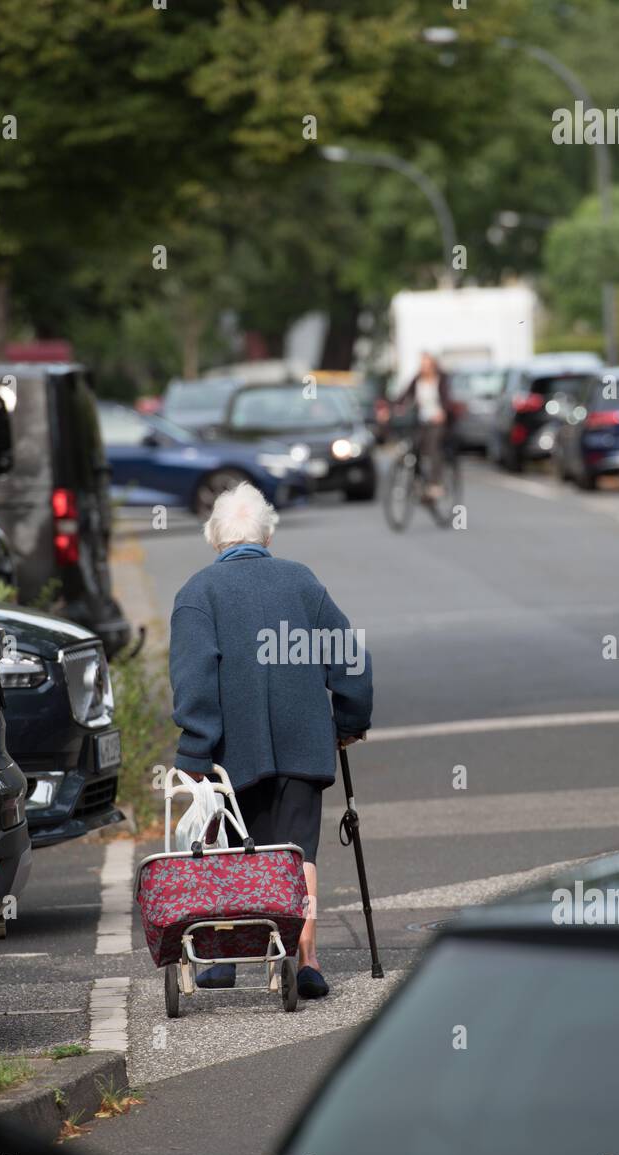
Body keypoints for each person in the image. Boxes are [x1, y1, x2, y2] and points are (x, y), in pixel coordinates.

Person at [169, 482, 373, 1000]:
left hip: (232, 753)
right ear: (267, 535)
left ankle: (226, 954)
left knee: (233, 846)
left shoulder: (198, 594)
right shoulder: (302, 583)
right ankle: (306, 960)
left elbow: (194, 678)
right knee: (297, 853)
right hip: (305, 745)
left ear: (215, 537)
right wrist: (349, 719)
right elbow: (349, 656)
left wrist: (196, 747)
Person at [394, 352, 456, 497]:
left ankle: (436, 483)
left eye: (427, 365)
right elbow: (404, 395)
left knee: (433, 446)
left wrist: (443, 413)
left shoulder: (441, 379)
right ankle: (418, 480)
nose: (424, 368)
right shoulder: (417, 380)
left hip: (438, 420)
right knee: (414, 447)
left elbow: (447, 398)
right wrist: (396, 407)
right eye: (422, 365)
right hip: (422, 420)